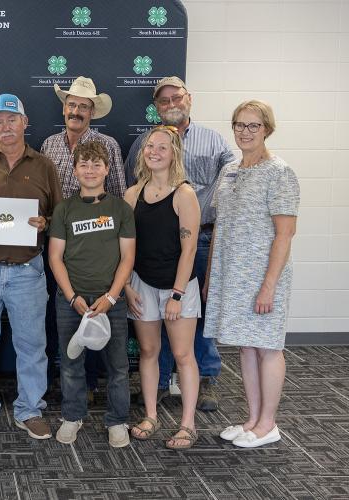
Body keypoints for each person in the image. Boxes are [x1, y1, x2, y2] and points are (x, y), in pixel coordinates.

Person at [125, 77, 235, 410]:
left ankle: (206, 379)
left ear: (189, 98)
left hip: (200, 237)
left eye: (177, 97)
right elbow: (137, 188)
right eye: (164, 100)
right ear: (156, 106)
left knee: (198, 312)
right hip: (153, 248)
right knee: (154, 318)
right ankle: (157, 383)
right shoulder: (144, 143)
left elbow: (234, 179)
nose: (171, 103)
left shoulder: (214, 141)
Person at [0, 94, 62, 440]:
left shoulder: (44, 165)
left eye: (11, 119)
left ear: (25, 122)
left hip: (27, 269)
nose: (5, 127)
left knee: (32, 343)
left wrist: (44, 223)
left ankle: (30, 409)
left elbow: (58, 217)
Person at [204, 100, 299, 448]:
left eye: (253, 126)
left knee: (268, 348)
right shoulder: (230, 170)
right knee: (246, 347)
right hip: (231, 277)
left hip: (262, 278)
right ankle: (253, 418)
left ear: (267, 130)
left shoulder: (279, 172)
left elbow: (285, 234)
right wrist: (212, 275)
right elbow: (219, 227)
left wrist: (268, 286)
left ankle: (269, 423)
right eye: (239, 125)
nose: (245, 132)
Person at [41, 76, 126, 401]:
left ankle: (89, 384)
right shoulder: (49, 144)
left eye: (83, 107)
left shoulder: (108, 146)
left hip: (94, 247)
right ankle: (62, 382)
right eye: (72, 104)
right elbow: (44, 194)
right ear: (64, 108)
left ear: (92, 112)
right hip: (56, 244)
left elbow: (117, 194)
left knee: (91, 311)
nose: (76, 111)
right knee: (59, 314)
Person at [48, 141, 135, 448]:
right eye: (84, 164)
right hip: (71, 302)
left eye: (97, 164)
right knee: (71, 364)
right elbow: (55, 257)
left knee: (118, 367)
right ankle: (72, 416)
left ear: (107, 170)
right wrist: (71, 296)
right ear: (74, 170)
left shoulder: (121, 208)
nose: (90, 170)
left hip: (109, 302)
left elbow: (127, 258)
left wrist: (111, 297)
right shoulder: (64, 209)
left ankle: (117, 421)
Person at [124, 125, 201, 450]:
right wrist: (127, 286)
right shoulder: (132, 194)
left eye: (162, 147)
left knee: (183, 354)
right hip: (142, 283)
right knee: (148, 351)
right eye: (149, 146)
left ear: (174, 155)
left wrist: (177, 295)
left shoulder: (184, 194)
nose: (154, 151)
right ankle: (152, 415)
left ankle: (188, 424)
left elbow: (190, 249)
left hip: (177, 286)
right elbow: (125, 248)